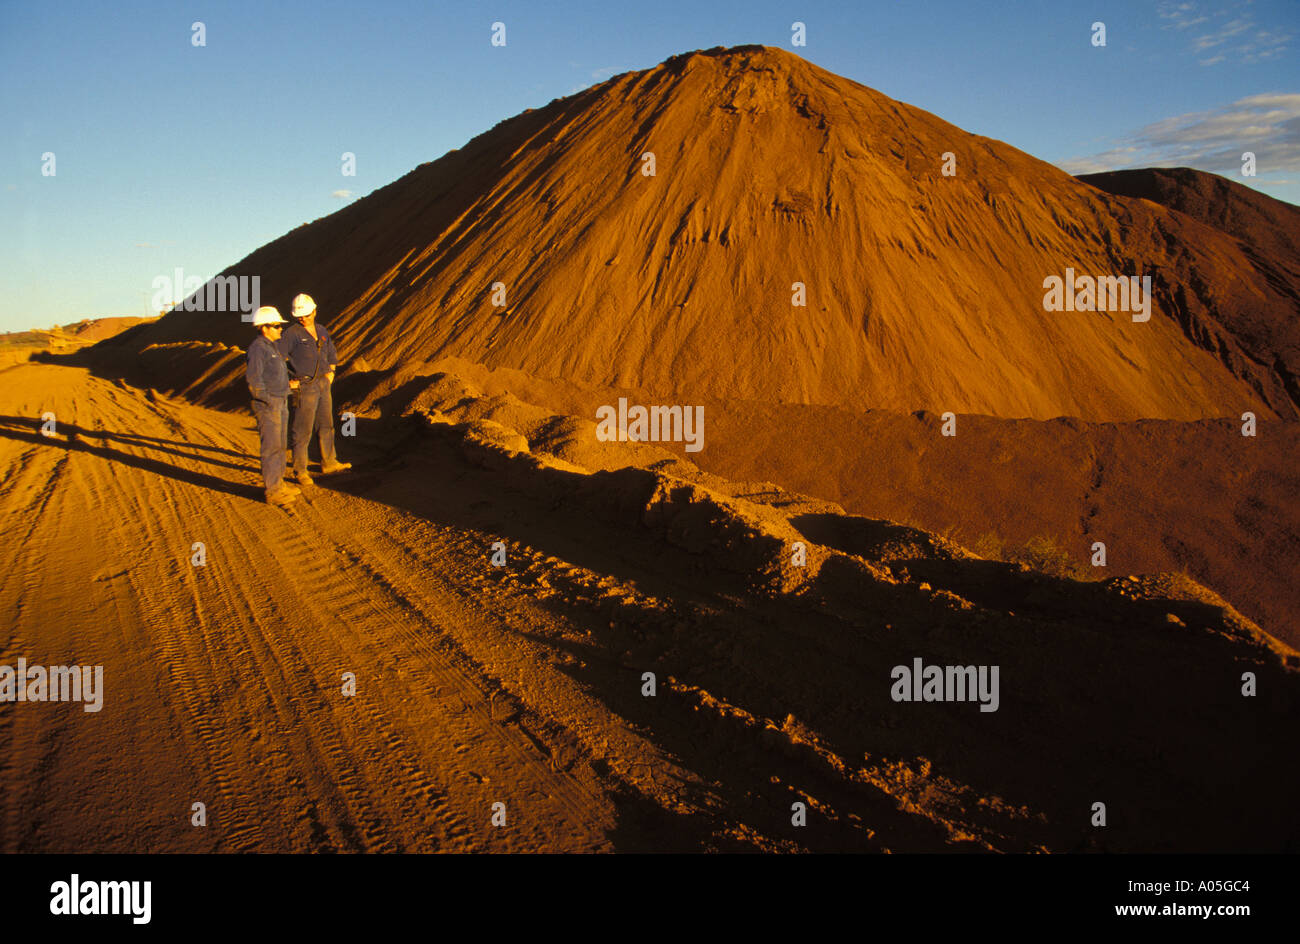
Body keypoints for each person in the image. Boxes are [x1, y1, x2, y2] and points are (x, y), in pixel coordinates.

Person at [281, 293, 351, 486]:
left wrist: (331, 373)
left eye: (306, 314)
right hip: (304, 386)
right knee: (302, 430)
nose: (303, 318)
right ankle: (300, 471)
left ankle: (329, 462)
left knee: (326, 425)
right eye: (299, 315)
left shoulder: (321, 330)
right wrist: (288, 380)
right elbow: (278, 358)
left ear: (314, 311)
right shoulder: (291, 333)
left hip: (323, 383)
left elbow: (331, 353)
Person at [246, 306, 301, 506]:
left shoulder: (272, 347)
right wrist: (267, 400)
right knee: (271, 447)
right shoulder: (257, 348)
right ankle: (272, 491)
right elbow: (254, 380)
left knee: (279, 446)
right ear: (264, 328)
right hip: (269, 405)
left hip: (281, 400)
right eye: (277, 326)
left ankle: (279, 484)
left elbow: (272, 376)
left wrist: (288, 385)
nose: (280, 329)